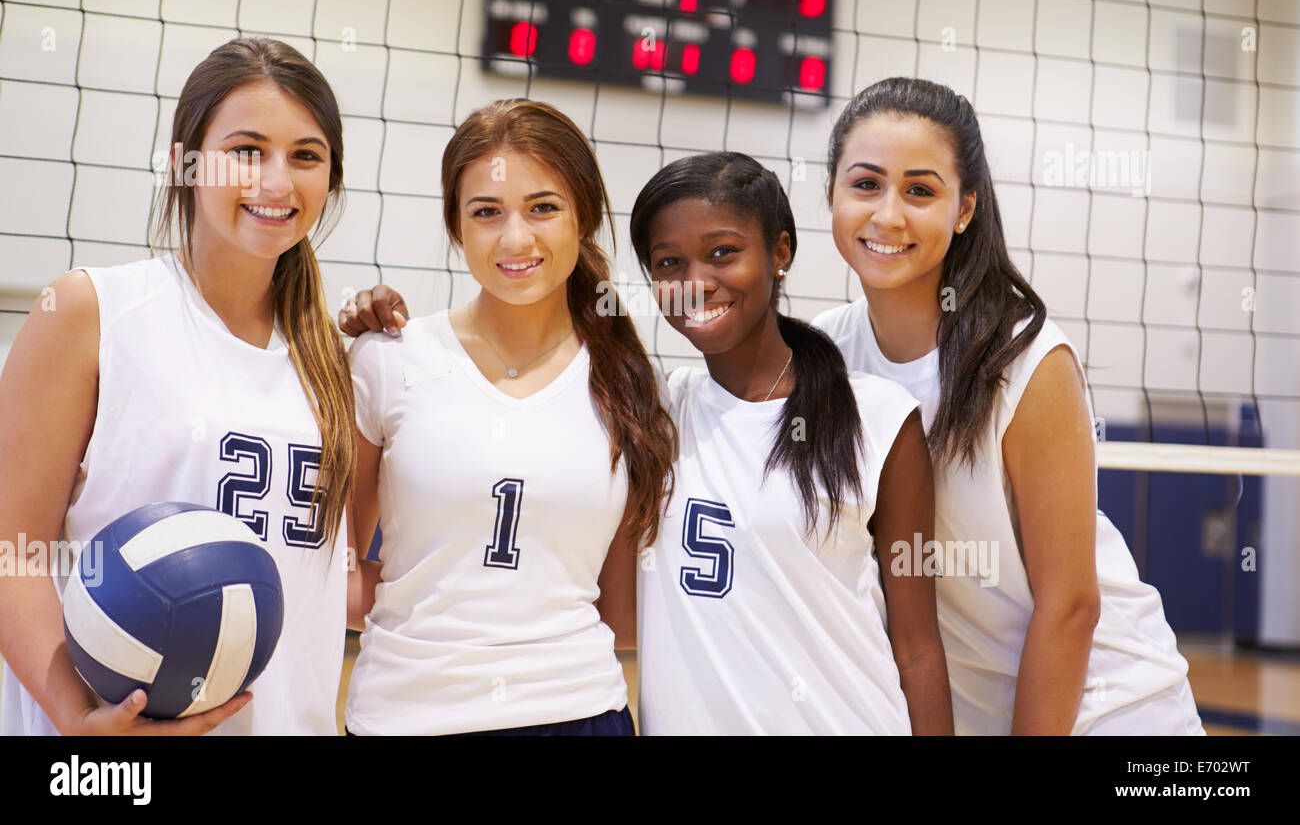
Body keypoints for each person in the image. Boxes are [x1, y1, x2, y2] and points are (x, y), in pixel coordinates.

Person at [812, 76, 1203, 735]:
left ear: (964, 209)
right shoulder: (825, 355)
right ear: (832, 194)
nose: (887, 214)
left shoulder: (1026, 359)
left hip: (1108, 709)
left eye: (920, 190)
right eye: (865, 183)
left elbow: (1071, 603)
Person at [0, 36, 355, 735]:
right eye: (247, 150)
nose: (277, 182)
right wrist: (79, 717)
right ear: (183, 160)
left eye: (306, 156)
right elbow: (12, 547)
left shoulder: (337, 359)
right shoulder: (89, 311)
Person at [339, 99, 676, 735]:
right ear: (456, 226)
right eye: (487, 212)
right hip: (405, 713)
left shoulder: (628, 381)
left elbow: (621, 605)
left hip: (576, 712)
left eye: (543, 207)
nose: (515, 238)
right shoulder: (388, 358)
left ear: (583, 218)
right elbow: (338, 566)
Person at [627, 152, 952, 734]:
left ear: (780, 253)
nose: (695, 282)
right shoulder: (659, 413)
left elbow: (919, 646)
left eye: (723, 252)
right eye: (669, 262)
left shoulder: (878, 418)